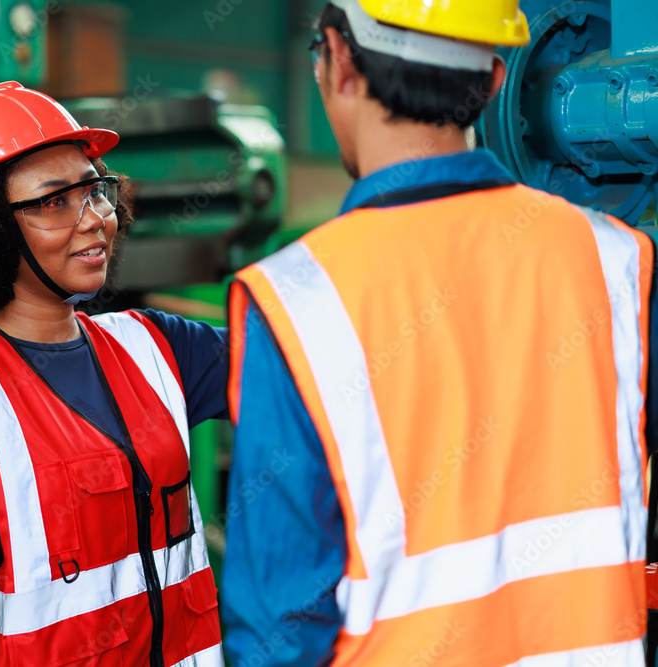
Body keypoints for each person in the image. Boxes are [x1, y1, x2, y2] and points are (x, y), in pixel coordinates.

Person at [222, 1, 654, 665]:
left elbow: (279, 629)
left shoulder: (301, 299)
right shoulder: (616, 262)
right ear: (496, 79)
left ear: (338, 59)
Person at [0, 81, 225, 667]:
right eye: (54, 201)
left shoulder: (156, 347)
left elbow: (301, 368)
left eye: (95, 191)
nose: (95, 218)